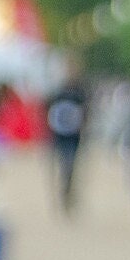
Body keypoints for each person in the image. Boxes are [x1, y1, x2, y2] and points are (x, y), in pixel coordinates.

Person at [45, 74, 88, 213]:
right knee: (65, 165)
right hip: (61, 135)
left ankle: (68, 192)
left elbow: (84, 113)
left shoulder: (78, 94)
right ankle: (65, 193)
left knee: (70, 166)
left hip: (72, 136)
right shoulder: (60, 94)